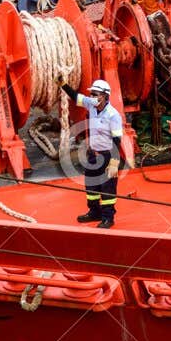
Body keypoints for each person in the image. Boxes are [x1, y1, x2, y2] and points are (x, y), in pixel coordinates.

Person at [61, 78, 123, 228]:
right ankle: (94, 212)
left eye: (96, 94)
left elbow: (117, 140)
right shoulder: (92, 105)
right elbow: (76, 97)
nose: (93, 97)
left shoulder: (113, 115)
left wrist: (114, 163)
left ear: (105, 96)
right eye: (92, 94)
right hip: (93, 154)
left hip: (107, 155)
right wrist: (62, 84)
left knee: (107, 188)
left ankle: (108, 218)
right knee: (91, 186)